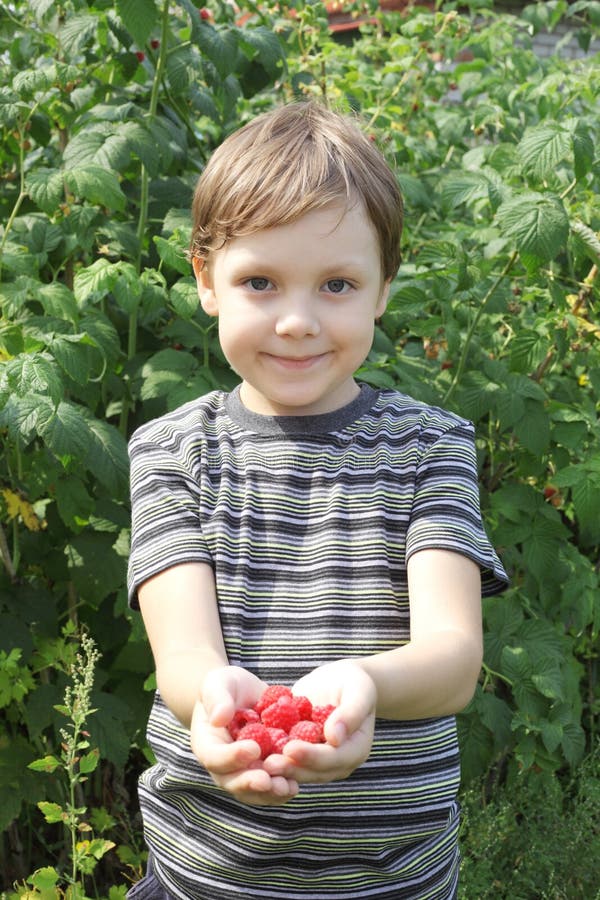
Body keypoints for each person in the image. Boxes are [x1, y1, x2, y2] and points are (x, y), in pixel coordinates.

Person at [126, 100, 508, 900]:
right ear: (206, 280)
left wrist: (363, 684)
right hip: (207, 873)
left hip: (389, 880)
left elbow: (452, 660)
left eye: (337, 284)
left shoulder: (430, 448)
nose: (297, 321)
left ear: (383, 290)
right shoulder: (172, 451)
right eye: (259, 282)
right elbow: (184, 661)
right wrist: (216, 698)